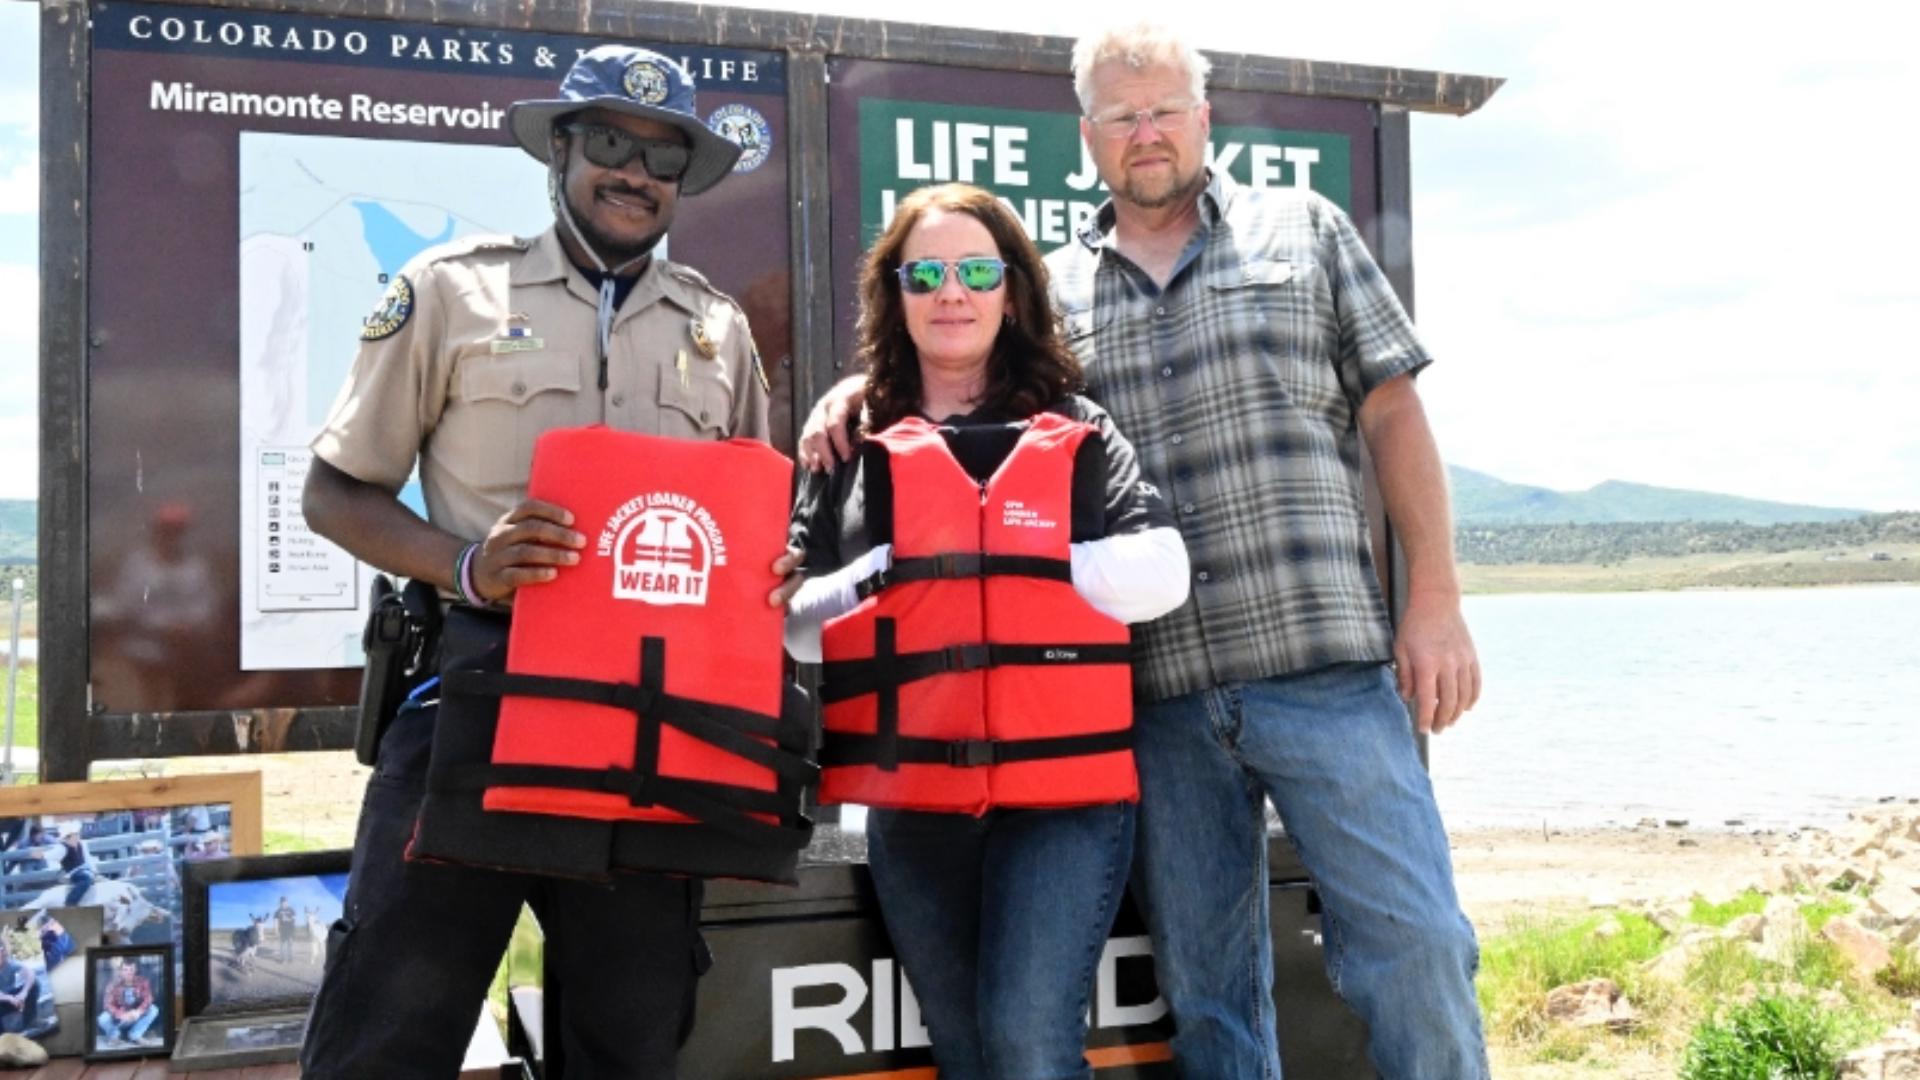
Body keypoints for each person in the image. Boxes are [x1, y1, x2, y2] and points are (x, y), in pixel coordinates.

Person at [798, 23, 1488, 1078]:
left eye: (1166, 108)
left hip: (1323, 669)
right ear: (1089, 136)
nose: (1147, 131)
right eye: (1122, 116)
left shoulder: (1303, 228)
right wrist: (864, 388)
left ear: (1205, 118)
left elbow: (1394, 412)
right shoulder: (1054, 289)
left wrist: (1433, 597)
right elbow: (962, 364)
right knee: (1212, 994)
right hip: (1153, 702)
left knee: (1415, 943)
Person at [299, 45, 765, 1080]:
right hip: (474, 703)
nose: (634, 173)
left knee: (632, 1039)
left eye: (663, 156)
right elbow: (334, 492)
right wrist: (468, 566)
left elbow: (742, 536)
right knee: (389, 1034)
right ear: (560, 148)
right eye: (609, 141)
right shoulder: (449, 291)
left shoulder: (719, 332)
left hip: (655, 735)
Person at [777, 183, 1188, 1079]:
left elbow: (1163, 575)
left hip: (1064, 806)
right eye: (924, 273)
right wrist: (898, 570)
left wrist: (1013, 561)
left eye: (976, 272)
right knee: (963, 1053)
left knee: (1029, 1047)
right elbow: (797, 632)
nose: (950, 293)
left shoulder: (1077, 431)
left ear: (1013, 291)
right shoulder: (851, 441)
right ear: (894, 292)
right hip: (912, 803)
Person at [96, 957, 158, 1046]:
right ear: (121, 971)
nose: (128, 972)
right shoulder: (113, 984)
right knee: (102, 1018)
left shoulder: (143, 981)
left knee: (153, 1009)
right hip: (119, 1019)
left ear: (135, 970)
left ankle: (135, 1035)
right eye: (125, 970)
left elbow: (148, 999)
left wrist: (139, 1011)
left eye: (131, 969)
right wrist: (121, 1015)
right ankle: (114, 1037)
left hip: (135, 1016)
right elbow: (107, 1004)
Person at [0, 938, 35, 1036]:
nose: (2, 953)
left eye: (2, 950)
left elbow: (30, 972)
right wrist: (8, 998)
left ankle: (30, 1022)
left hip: (14, 1001)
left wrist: (24, 993)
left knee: (35, 984)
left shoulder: (9, 963)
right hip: (3, 1002)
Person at [272, 896, 296, 964]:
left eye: (285, 902)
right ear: (280, 903)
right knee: (282, 945)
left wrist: (287, 919)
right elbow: (275, 921)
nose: (283, 903)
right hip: (282, 930)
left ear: (287, 902)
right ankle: (283, 959)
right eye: (282, 902)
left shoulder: (291, 910)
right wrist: (275, 930)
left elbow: (294, 919)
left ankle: (291, 959)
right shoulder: (277, 911)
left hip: (290, 930)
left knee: (290, 944)